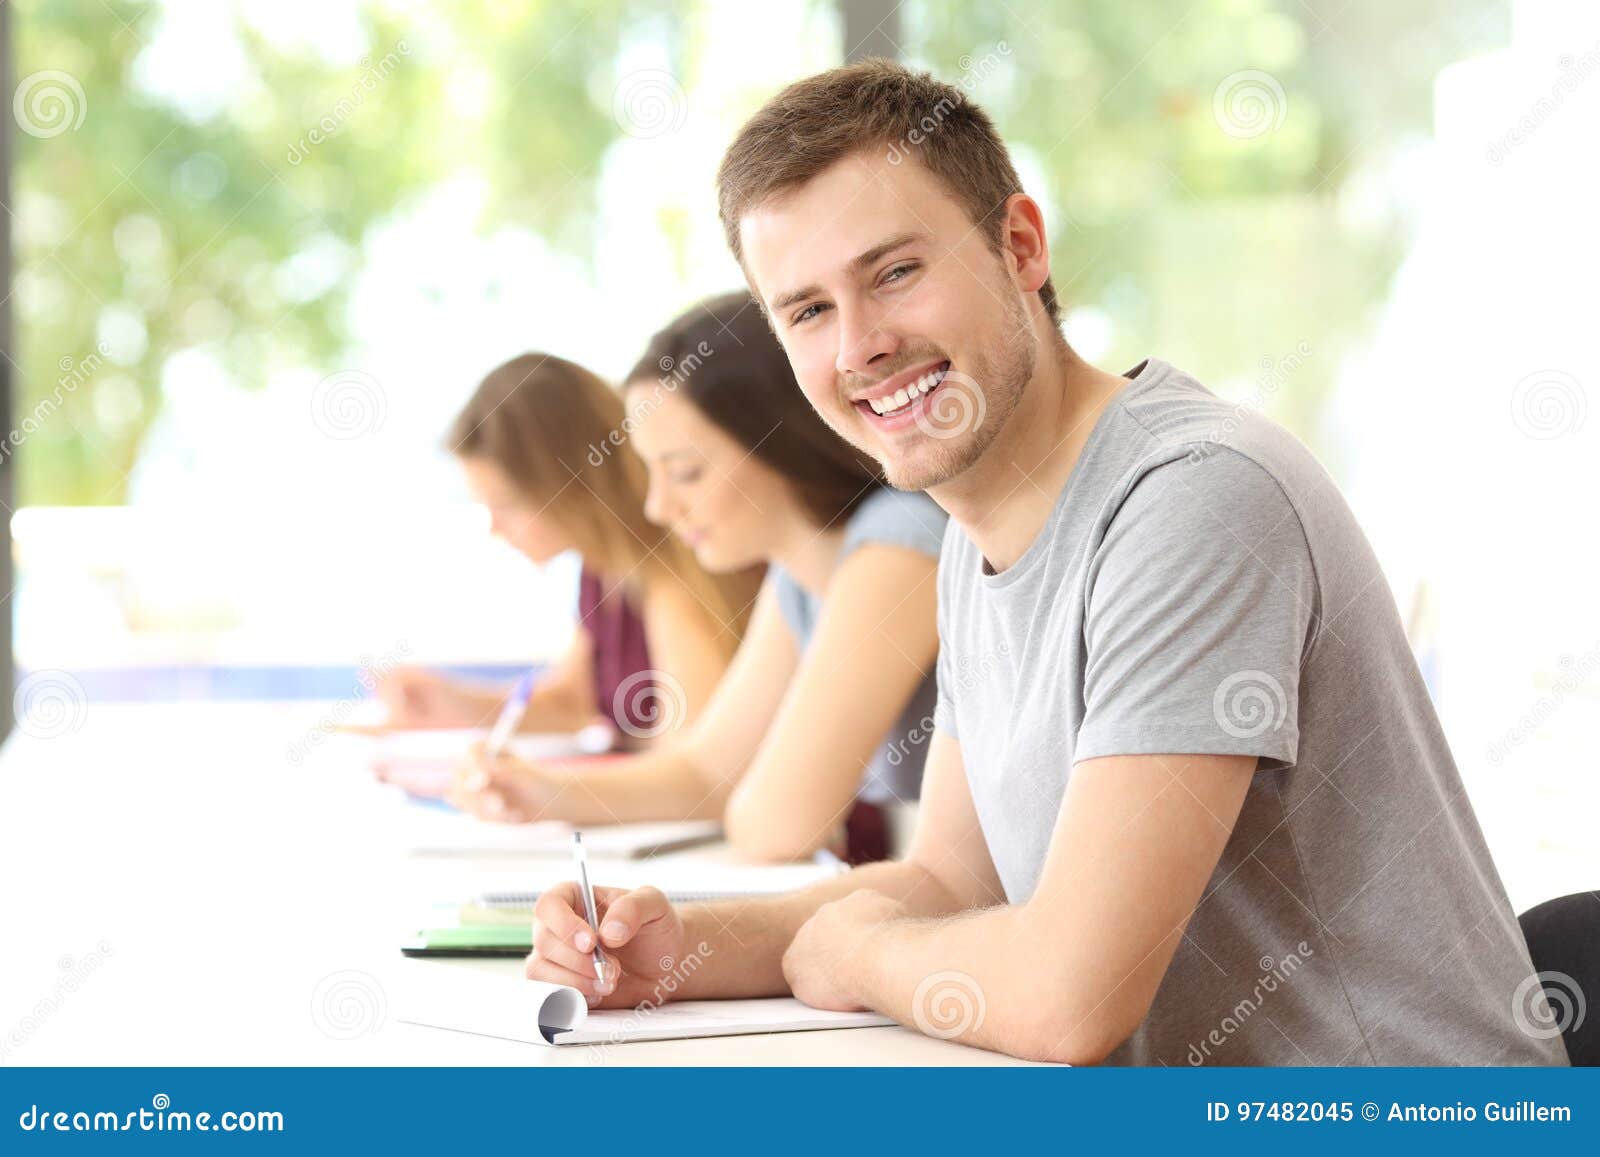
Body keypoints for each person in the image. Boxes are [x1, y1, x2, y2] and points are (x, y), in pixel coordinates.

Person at [521, 60, 1568, 1067]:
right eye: (807, 310)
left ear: (1020, 245)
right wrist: (682, 949)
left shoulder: (1195, 497)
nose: (858, 347)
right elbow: (948, 879)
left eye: (894, 272)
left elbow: (1069, 995)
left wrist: (855, 953)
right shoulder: (974, 535)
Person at [449, 293, 946, 863]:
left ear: (777, 441)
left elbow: (776, 824)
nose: (658, 507)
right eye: (650, 473)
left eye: (684, 472)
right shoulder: (796, 576)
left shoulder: (898, 538)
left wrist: (752, 801)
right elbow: (707, 773)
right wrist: (538, 789)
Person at [378, 353, 758, 747]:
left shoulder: (671, 571)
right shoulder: (602, 569)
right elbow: (574, 701)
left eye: (507, 504)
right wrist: (450, 702)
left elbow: (691, 763)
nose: (494, 527)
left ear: (573, 485)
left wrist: (540, 787)